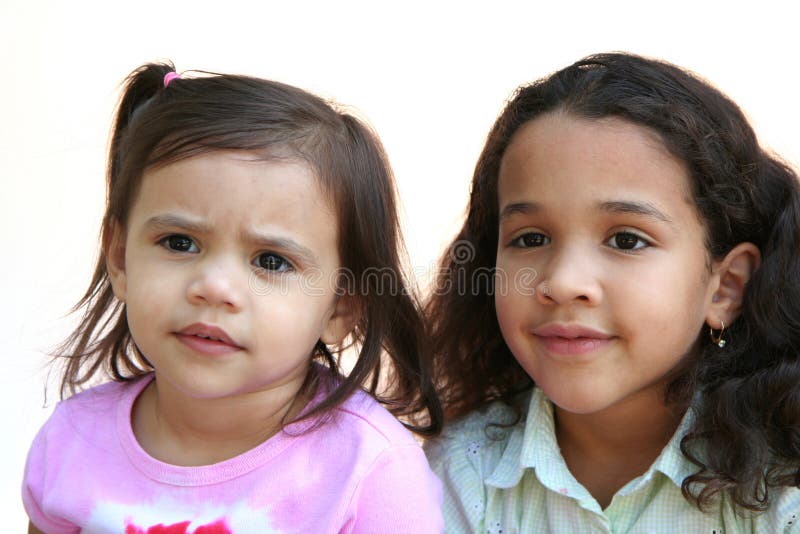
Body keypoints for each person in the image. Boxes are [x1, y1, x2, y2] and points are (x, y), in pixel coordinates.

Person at [22, 62, 443, 534]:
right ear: (120, 259)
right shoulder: (72, 442)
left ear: (342, 304)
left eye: (271, 261)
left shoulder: (369, 473)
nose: (215, 287)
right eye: (179, 242)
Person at [424, 52, 800, 533]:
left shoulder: (780, 490)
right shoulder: (461, 472)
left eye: (626, 240)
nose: (563, 282)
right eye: (531, 238)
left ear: (725, 287)